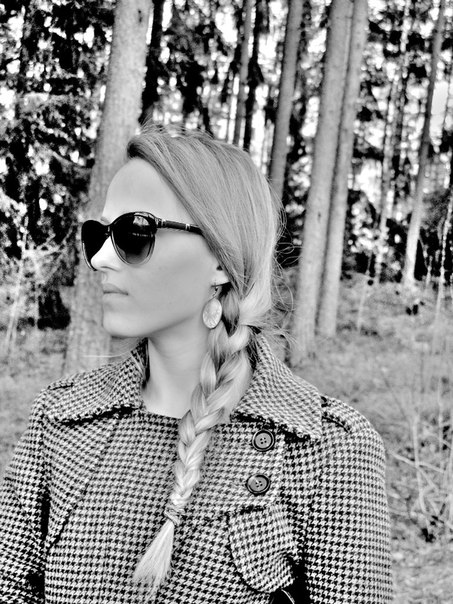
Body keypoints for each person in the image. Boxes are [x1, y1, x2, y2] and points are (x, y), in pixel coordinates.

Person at [0, 126, 393, 603]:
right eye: (97, 235)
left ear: (221, 260)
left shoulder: (327, 449)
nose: (100, 259)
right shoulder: (60, 421)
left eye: (133, 233)